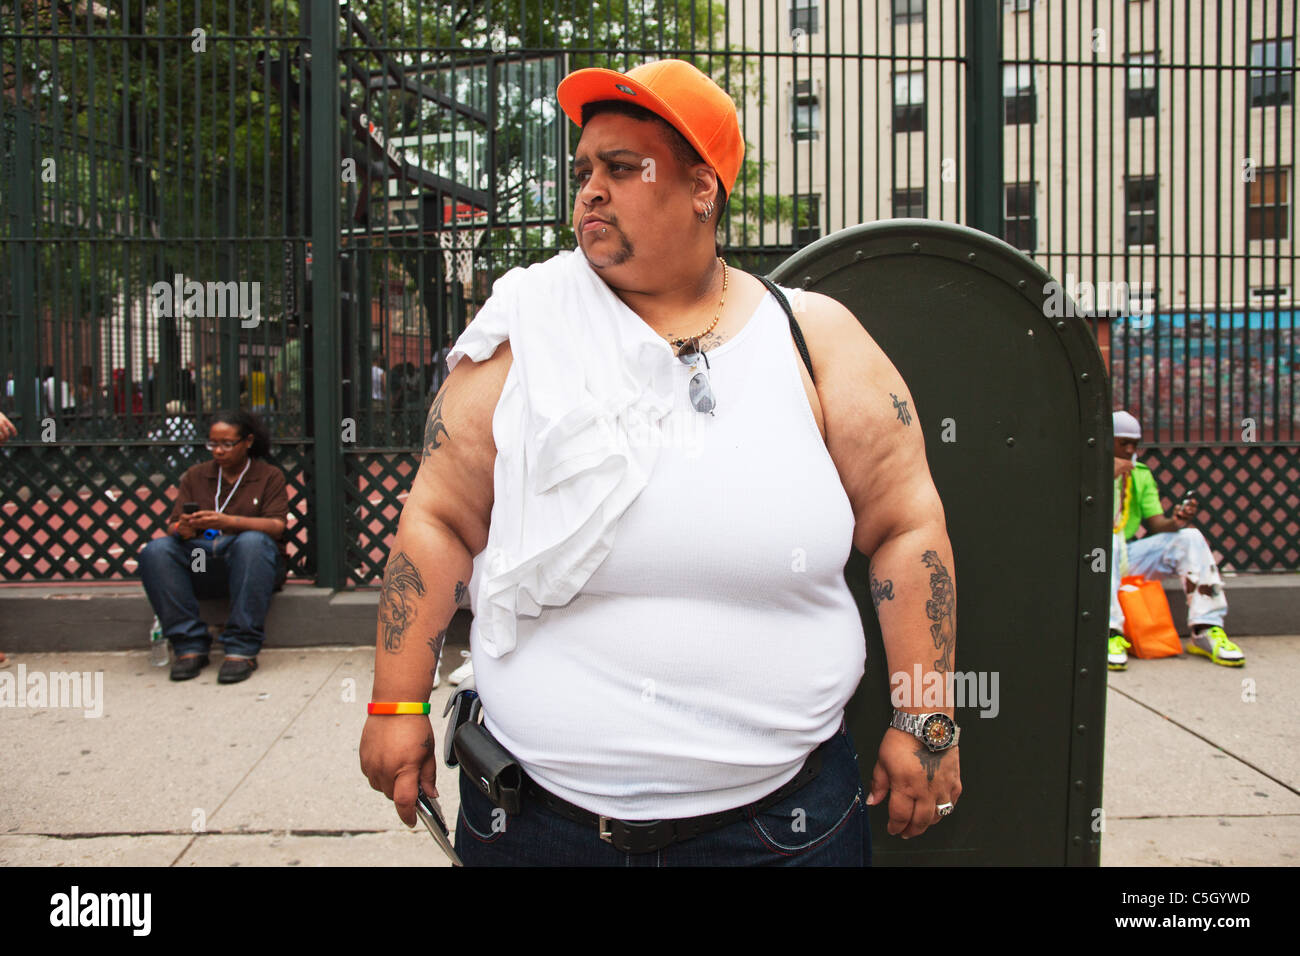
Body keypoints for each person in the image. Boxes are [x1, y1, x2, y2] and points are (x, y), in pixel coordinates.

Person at [360, 59, 961, 866]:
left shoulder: (815, 340)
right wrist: (396, 699)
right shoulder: (524, 331)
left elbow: (908, 526)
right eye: (583, 171)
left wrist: (924, 717)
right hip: (540, 825)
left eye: (620, 168)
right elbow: (436, 518)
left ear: (703, 189)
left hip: (782, 827)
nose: (589, 192)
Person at [139, 409, 289, 683]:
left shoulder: (268, 476)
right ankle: (189, 645)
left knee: (252, 543)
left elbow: (277, 526)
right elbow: (172, 525)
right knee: (156, 550)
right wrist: (181, 528)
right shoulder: (196, 475)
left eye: (227, 444)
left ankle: (241, 648)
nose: (219, 451)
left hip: (249, 563)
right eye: (213, 444)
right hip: (201, 559)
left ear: (248, 442)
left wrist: (228, 520)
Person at [1107, 410, 1242, 670]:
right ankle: (1110, 633)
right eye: (1122, 442)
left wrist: (1178, 520)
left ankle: (1206, 629)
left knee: (1189, 538)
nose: (1129, 450)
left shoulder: (1140, 473)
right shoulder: (1085, 471)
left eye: (1134, 444)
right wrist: (1107, 473)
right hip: (1094, 559)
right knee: (1107, 541)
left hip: (1126, 555)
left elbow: (1156, 523)